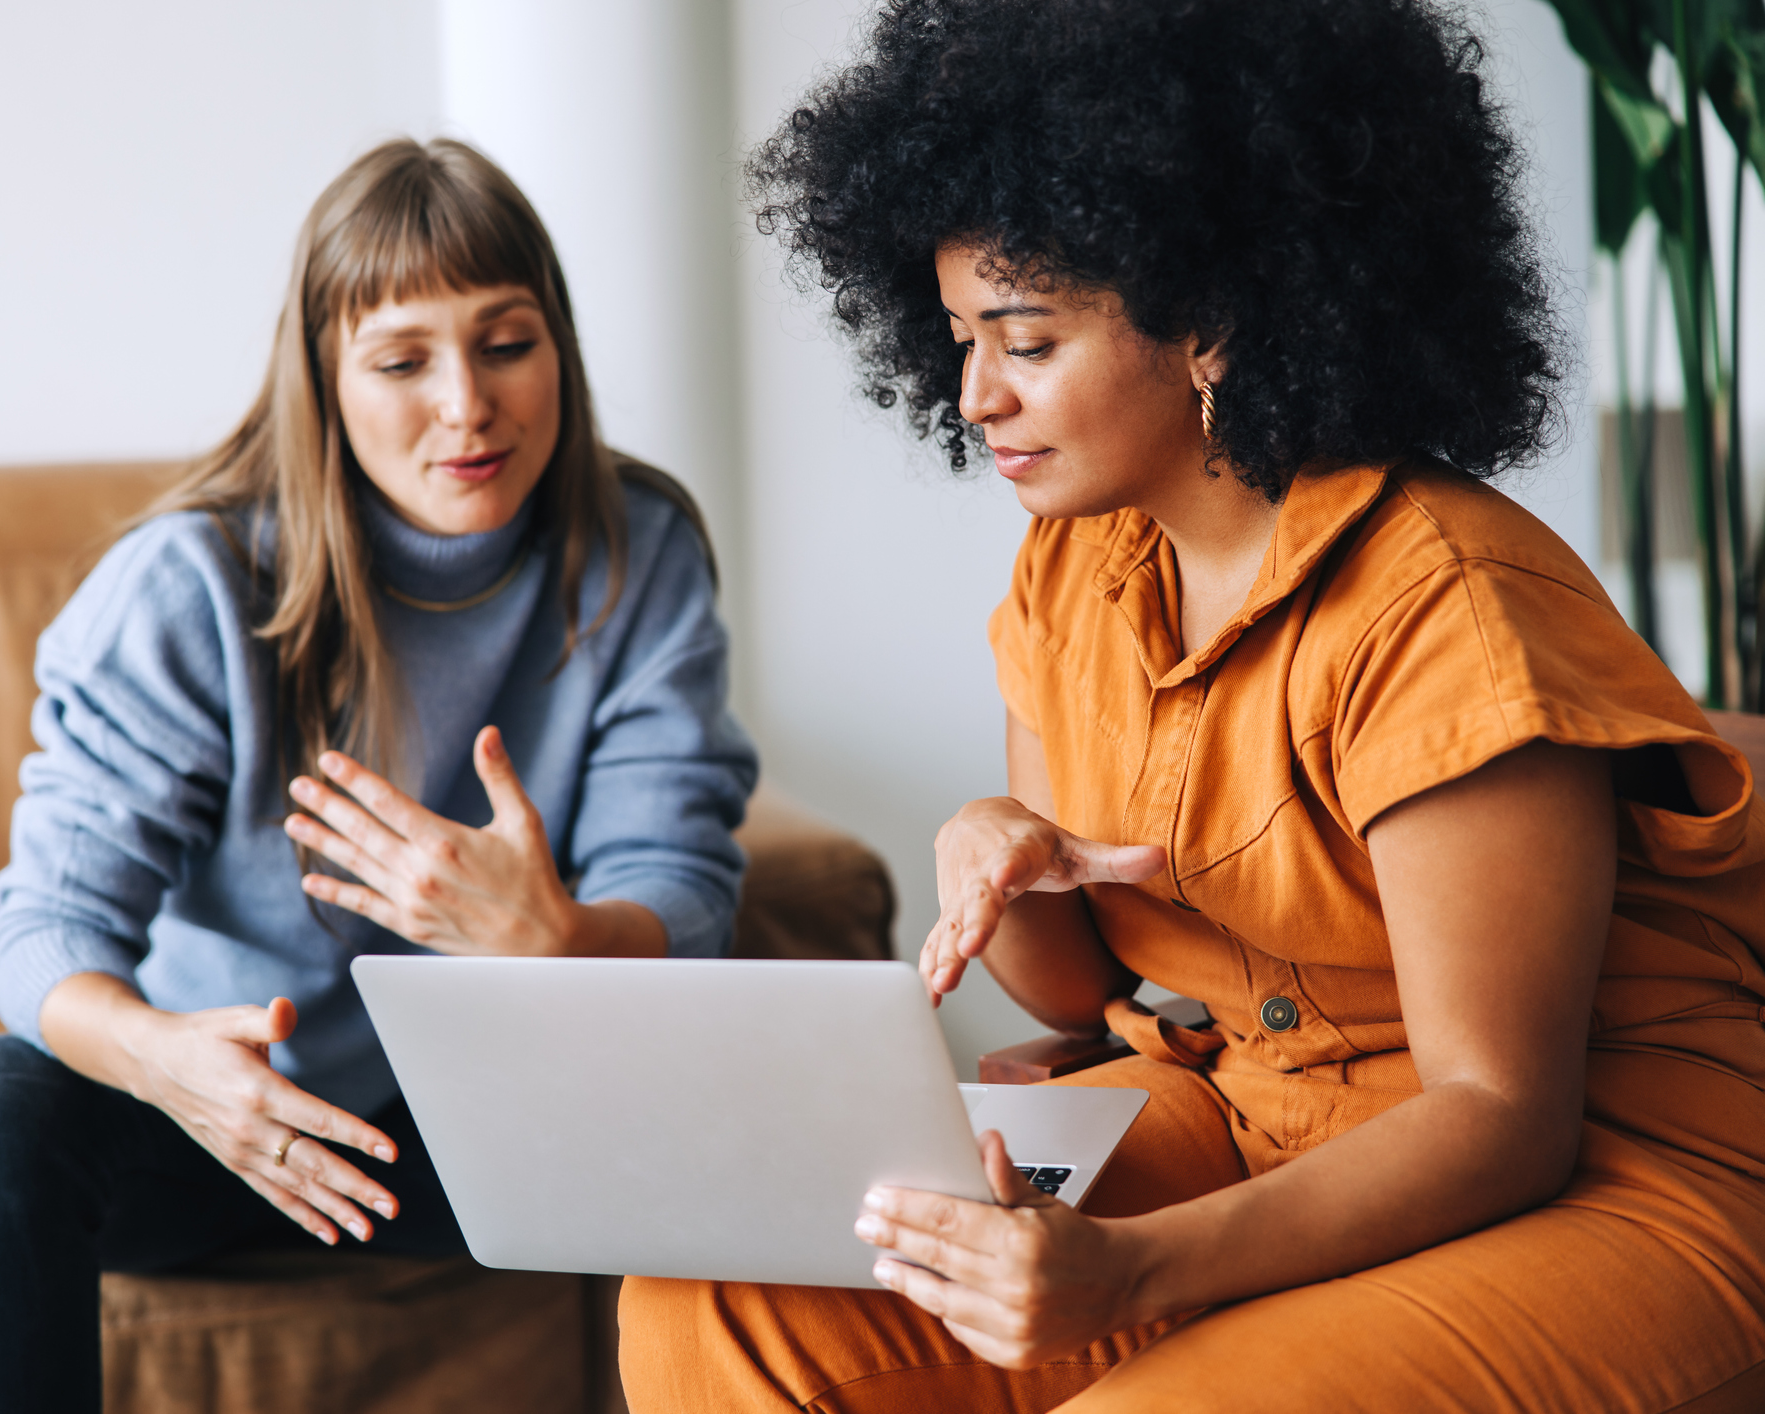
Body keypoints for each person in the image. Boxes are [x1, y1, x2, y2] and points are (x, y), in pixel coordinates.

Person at [618, 1, 1765, 1409]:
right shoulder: (1071, 565)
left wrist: (1139, 1269)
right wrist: (999, 851)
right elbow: (1085, 993)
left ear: (1211, 319)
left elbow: (1498, 1114)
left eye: (1025, 341)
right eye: (960, 337)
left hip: (1598, 1173)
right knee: (722, 1300)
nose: (973, 396)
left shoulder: (1442, 604)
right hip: (1232, 1106)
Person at [0, 137, 757, 1413]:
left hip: (471, 1121)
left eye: (506, 343)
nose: (467, 404)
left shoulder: (638, 549)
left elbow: (678, 879)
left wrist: (556, 938)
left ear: (557, 348)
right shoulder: (192, 585)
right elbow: (44, 932)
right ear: (325, 382)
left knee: (769, 1129)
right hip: (195, 1114)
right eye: (403, 360)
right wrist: (163, 1060)